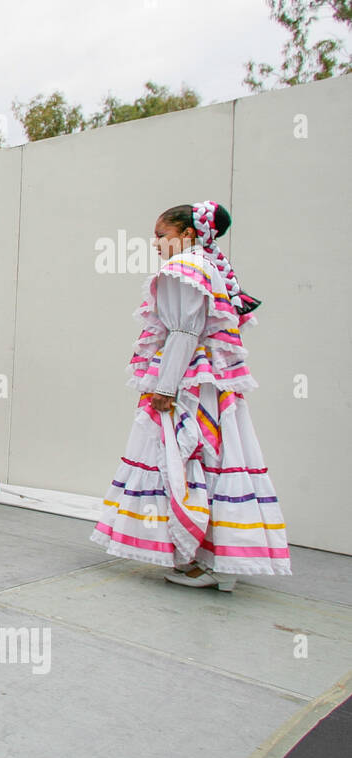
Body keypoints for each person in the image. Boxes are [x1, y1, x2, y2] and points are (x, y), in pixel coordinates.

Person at [91, 202, 289, 588]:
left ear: (188, 234)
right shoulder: (212, 269)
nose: (155, 244)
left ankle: (198, 558)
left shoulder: (183, 270)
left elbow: (183, 332)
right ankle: (217, 559)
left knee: (182, 459)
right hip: (211, 386)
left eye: (162, 235)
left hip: (187, 385)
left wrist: (164, 388)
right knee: (217, 455)